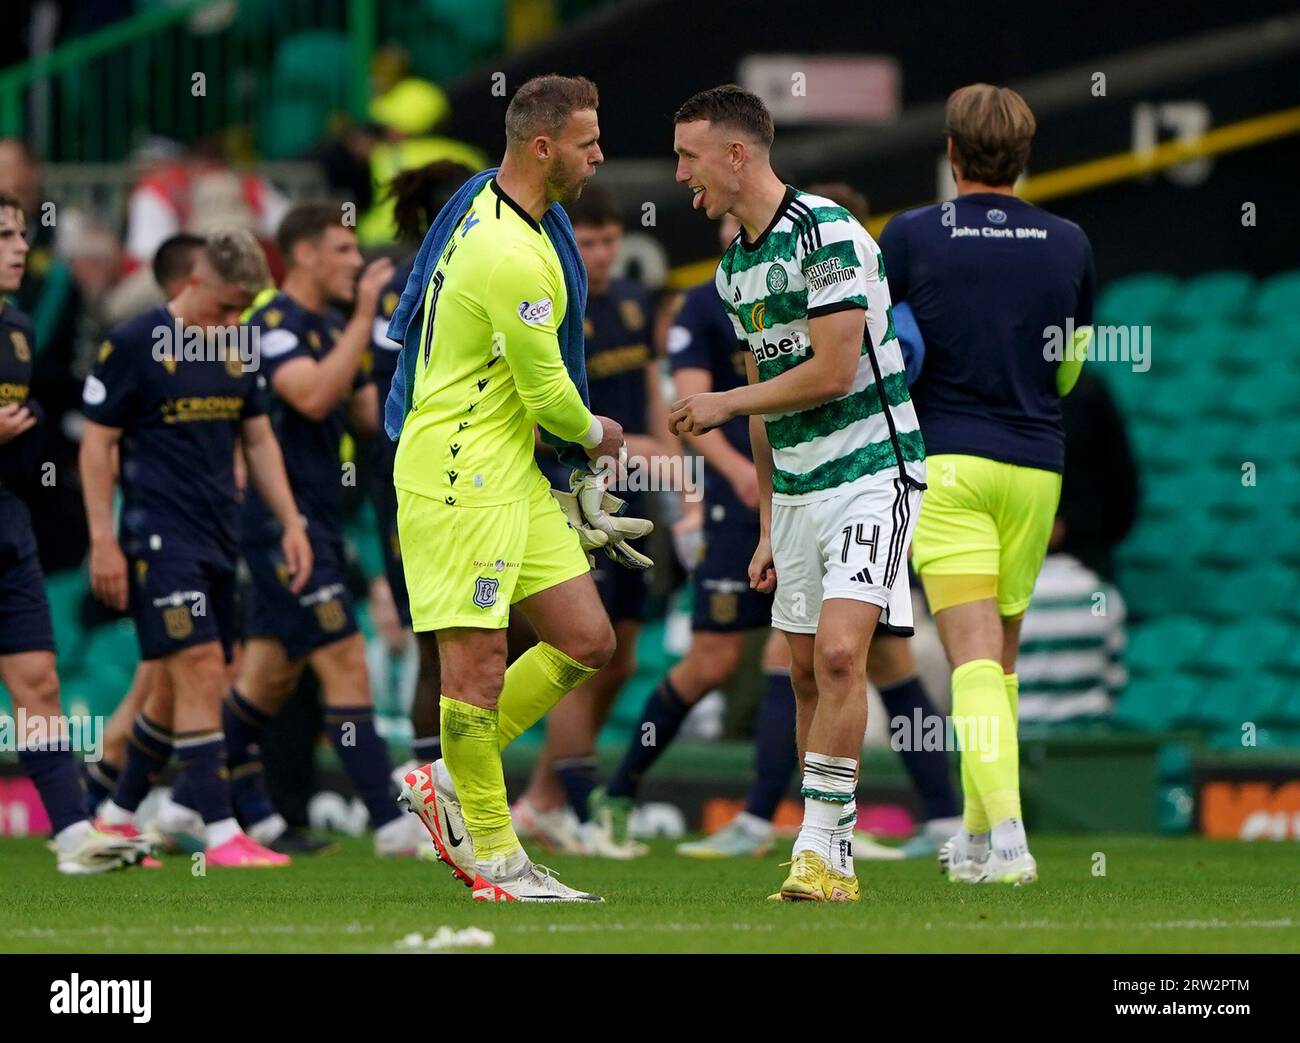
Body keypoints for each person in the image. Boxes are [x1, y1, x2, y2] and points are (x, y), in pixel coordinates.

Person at [388, 75, 650, 902]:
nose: (599, 156)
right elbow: (552, 402)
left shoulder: (503, 206)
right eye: (588, 142)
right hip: (460, 473)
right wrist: (604, 437)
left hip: (509, 471)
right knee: (475, 672)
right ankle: (498, 862)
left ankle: (446, 781)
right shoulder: (511, 255)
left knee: (587, 638)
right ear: (542, 147)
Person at [669, 85, 926, 902]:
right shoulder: (734, 268)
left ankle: (823, 851)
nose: (681, 175)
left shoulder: (829, 234)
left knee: (847, 651)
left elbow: (832, 370)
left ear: (735, 154)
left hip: (872, 470)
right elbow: (768, 398)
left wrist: (721, 402)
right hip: (800, 487)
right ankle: (825, 851)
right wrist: (766, 523)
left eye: (688, 156)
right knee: (807, 670)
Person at [879, 83, 1095, 885]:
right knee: (999, 661)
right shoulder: (1070, 241)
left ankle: (1008, 839)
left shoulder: (910, 235)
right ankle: (974, 837)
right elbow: (1069, 369)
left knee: (969, 658)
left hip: (950, 466)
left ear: (951, 152)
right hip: (1037, 468)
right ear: (1025, 155)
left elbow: (885, 347)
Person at [80, 229, 310, 868]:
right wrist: (104, 538)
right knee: (203, 667)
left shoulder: (239, 346)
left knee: (171, 684)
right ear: (193, 281)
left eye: (243, 311)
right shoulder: (135, 343)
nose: (233, 321)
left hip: (219, 534)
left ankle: (112, 821)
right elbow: (96, 444)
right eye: (225, 307)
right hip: (158, 535)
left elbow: (259, 438)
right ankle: (219, 831)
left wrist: (290, 521)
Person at [222, 203, 429, 858]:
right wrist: (365, 317)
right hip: (275, 521)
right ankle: (389, 819)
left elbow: (370, 417)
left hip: (318, 518)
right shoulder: (268, 322)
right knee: (344, 660)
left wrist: (382, 336)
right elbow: (309, 395)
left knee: (265, 681)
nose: (355, 264)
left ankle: (169, 795)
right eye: (342, 250)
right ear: (305, 254)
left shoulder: (334, 326)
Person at [511, 184, 671, 858]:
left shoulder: (637, 305)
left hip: (636, 491)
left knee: (620, 655)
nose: (602, 254)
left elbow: (653, 395)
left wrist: (667, 458)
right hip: (574, 493)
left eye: (611, 241)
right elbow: (542, 418)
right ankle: (576, 809)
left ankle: (545, 799)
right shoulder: (553, 310)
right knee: (582, 648)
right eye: (592, 241)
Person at [0, 190, 148, 874]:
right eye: (2, 237)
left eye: (19, 235)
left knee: (38, 680)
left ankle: (70, 833)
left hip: (10, 521)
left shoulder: (21, 327)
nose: (17, 248)